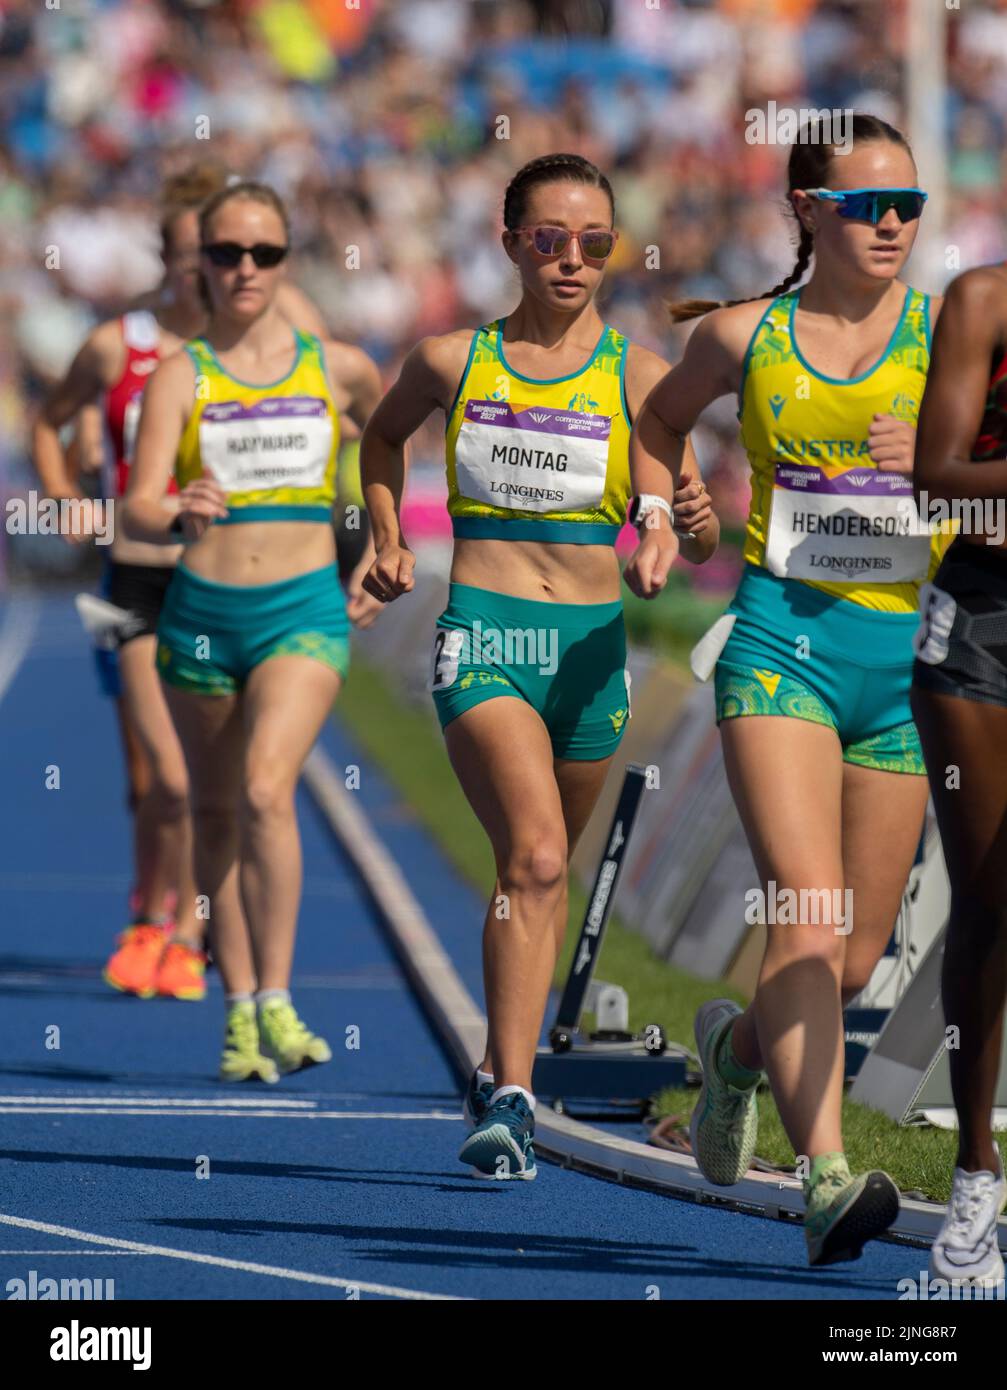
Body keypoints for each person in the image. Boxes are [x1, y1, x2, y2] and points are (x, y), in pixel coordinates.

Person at [627, 114, 951, 1264]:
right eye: (870, 206)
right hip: (780, 651)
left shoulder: (950, 340)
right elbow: (656, 423)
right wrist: (664, 514)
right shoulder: (739, 336)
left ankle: (731, 1058)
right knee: (805, 915)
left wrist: (940, 460)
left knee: (853, 955)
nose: (895, 225)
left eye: (908, 204)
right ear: (810, 211)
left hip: (905, 666)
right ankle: (821, 1178)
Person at [360, 152, 715, 1178]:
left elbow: (678, 532)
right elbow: (377, 444)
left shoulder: (640, 377)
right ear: (510, 239)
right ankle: (513, 1095)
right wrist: (383, 533)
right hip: (486, 639)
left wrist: (681, 529)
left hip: (592, 656)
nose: (572, 259)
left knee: (540, 867)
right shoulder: (449, 362)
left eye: (594, 243)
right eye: (550, 238)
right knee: (538, 857)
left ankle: (494, 1059)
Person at [32, 163, 330, 1001]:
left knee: (215, 785)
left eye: (246, 252)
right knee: (157, 779)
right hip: (134, 576)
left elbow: (338, 394)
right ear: (175, 257)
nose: (223, 268)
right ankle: (151, 912)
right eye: (205, 252)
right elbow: (47, 423)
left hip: (223, 583)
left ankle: (190, 932)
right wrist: (67, 500)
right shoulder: (119, 346)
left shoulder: (259, 343)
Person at [123, 180, 382, 1081]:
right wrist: (175, 504)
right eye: (225, 253)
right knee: (218, 809)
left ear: (285, 261)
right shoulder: (179, 375)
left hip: (303, 610)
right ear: (197, 263)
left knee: (271, 790)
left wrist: (378, 550)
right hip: (201, 616)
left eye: (263, 254)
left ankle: (276, 994)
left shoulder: (336, 365)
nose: (243, 269)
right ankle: (238, 1009)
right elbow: (138, 505)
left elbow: (383, 453)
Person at [911, 261, 1007, 1286]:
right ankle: (975, 1168)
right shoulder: (983, 299)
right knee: (987, 902)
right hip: (980, 625)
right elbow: (932, 473)